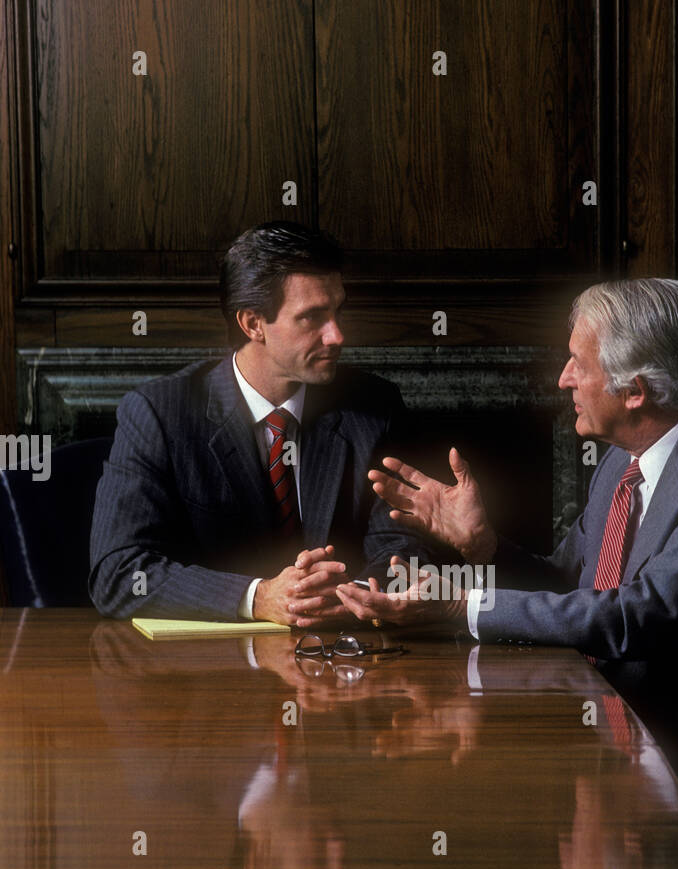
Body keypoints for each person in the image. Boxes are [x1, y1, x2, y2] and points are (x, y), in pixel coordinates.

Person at [335, 278, 678, 757]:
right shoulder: (622, 459)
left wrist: (460, 607)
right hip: (594, 714)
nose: (563, 378)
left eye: (579, 362)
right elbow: (568, 586)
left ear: (634, 392)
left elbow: (641, 614)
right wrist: (484, 546)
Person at [89, 221, 432, 624]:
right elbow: (119, 573)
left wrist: (351, 595)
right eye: (312, 317)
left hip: (344, 660)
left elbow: (401, 547)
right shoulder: (159, 413)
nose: (337, 335)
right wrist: (258, 597)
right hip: (209, 675)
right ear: (252, 324)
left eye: (337, 311)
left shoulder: (375, 405)